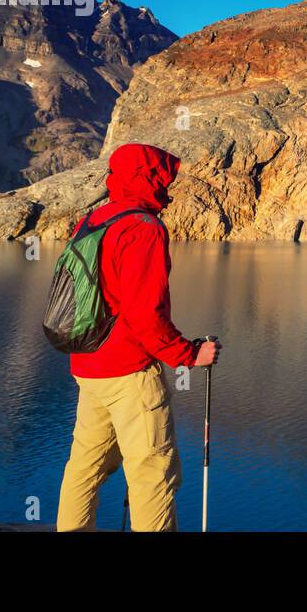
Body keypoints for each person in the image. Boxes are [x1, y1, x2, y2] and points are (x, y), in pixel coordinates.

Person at [55, 142, 221, 532]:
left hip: (87, 366)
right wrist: (188, 354)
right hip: (129, 373)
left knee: (84, 467)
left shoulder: (95, 220)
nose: (169, 187)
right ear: (150, 179)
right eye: (164, 178)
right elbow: (145, 313)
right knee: (152, 475)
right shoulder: (143, 228)